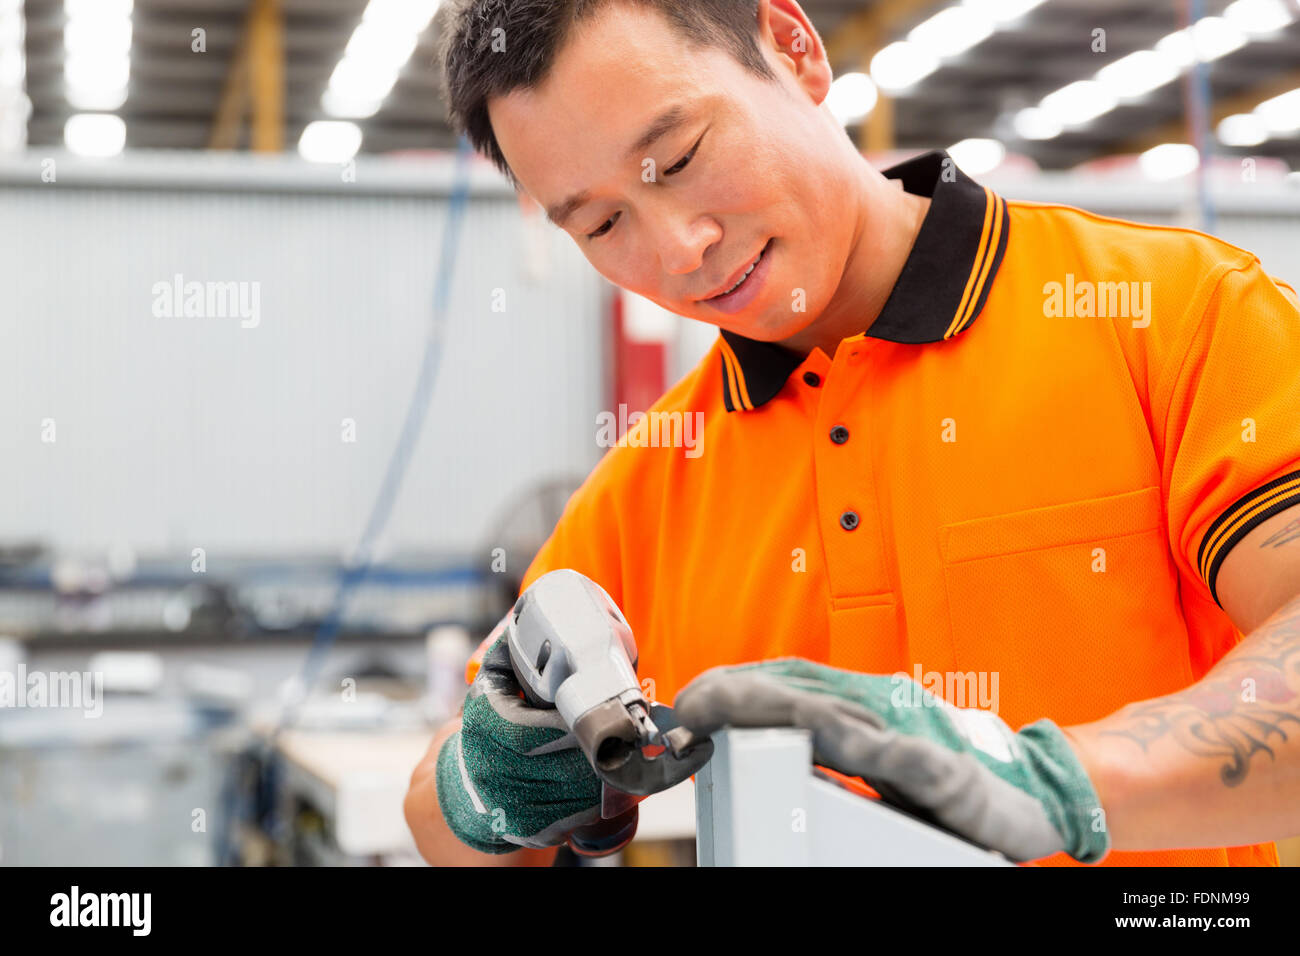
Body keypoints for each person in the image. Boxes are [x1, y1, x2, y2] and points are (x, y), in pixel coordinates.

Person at [405, 0, 1300, 867]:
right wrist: (490, 783)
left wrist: (1055, 786)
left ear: (794, 49)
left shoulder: (1170, 316)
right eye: (601, 223)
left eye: (676, 159)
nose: (679, 249)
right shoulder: (655, 479)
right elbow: (442, 820)